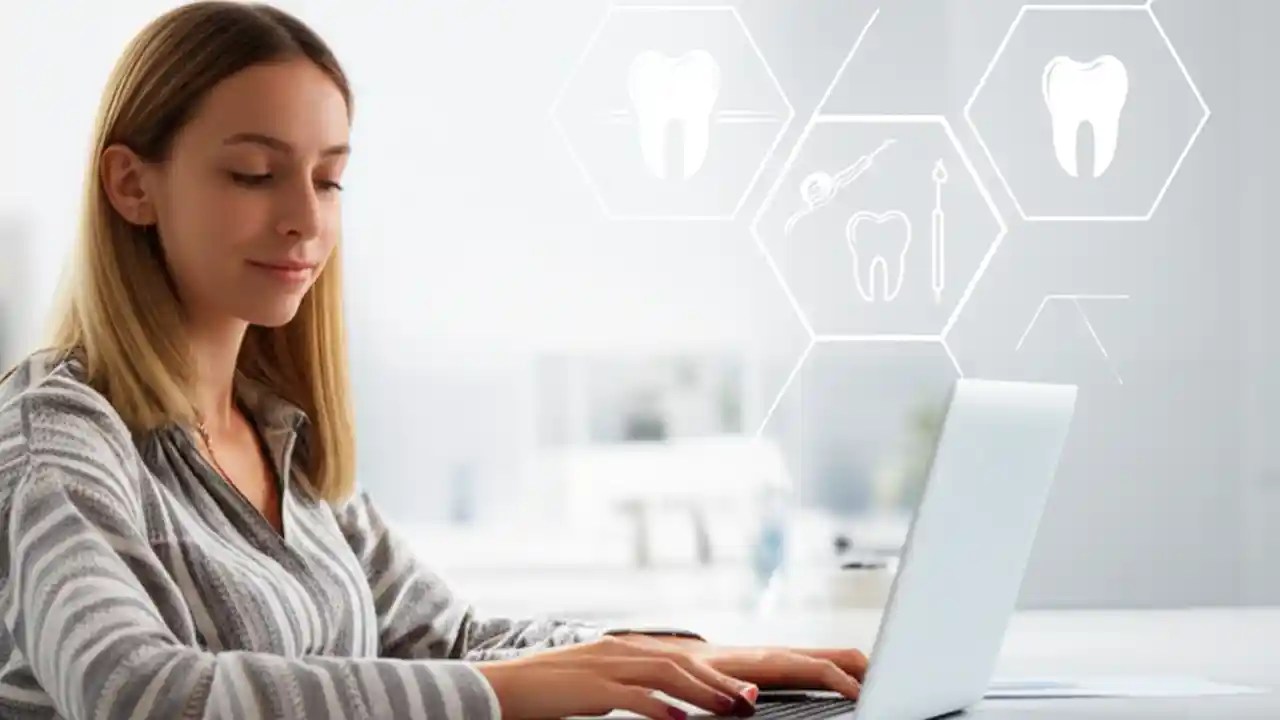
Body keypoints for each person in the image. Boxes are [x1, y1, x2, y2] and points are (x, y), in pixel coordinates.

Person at [0, 3, 869, 718]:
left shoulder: (283, 440)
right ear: (131, 185)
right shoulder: (61, 432)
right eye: (255, 174)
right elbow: (133, 689)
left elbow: (447, 641)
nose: (306, 218)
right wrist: (505, 692)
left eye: (329, 178)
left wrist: (680, 657)